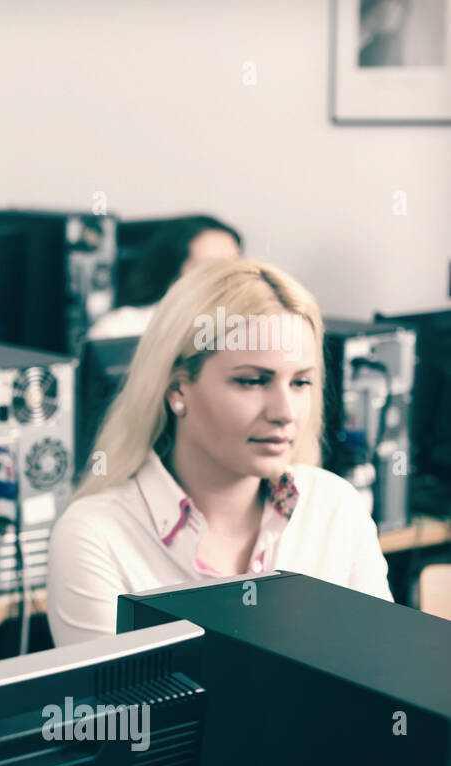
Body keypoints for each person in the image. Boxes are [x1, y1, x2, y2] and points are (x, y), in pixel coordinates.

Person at [47, 259, 393, 647]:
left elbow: (379, 678)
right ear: (177, 389)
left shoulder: (335, 507)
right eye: (251, 381)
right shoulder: (96, 536)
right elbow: (119, 706)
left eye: (301, 382)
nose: (284, 413)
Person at [87, 215, 242, 341]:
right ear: (173, 273)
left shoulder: (245, 330)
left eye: (233, 267)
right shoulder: (119, 330)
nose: (226, 277)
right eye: (211, 267)